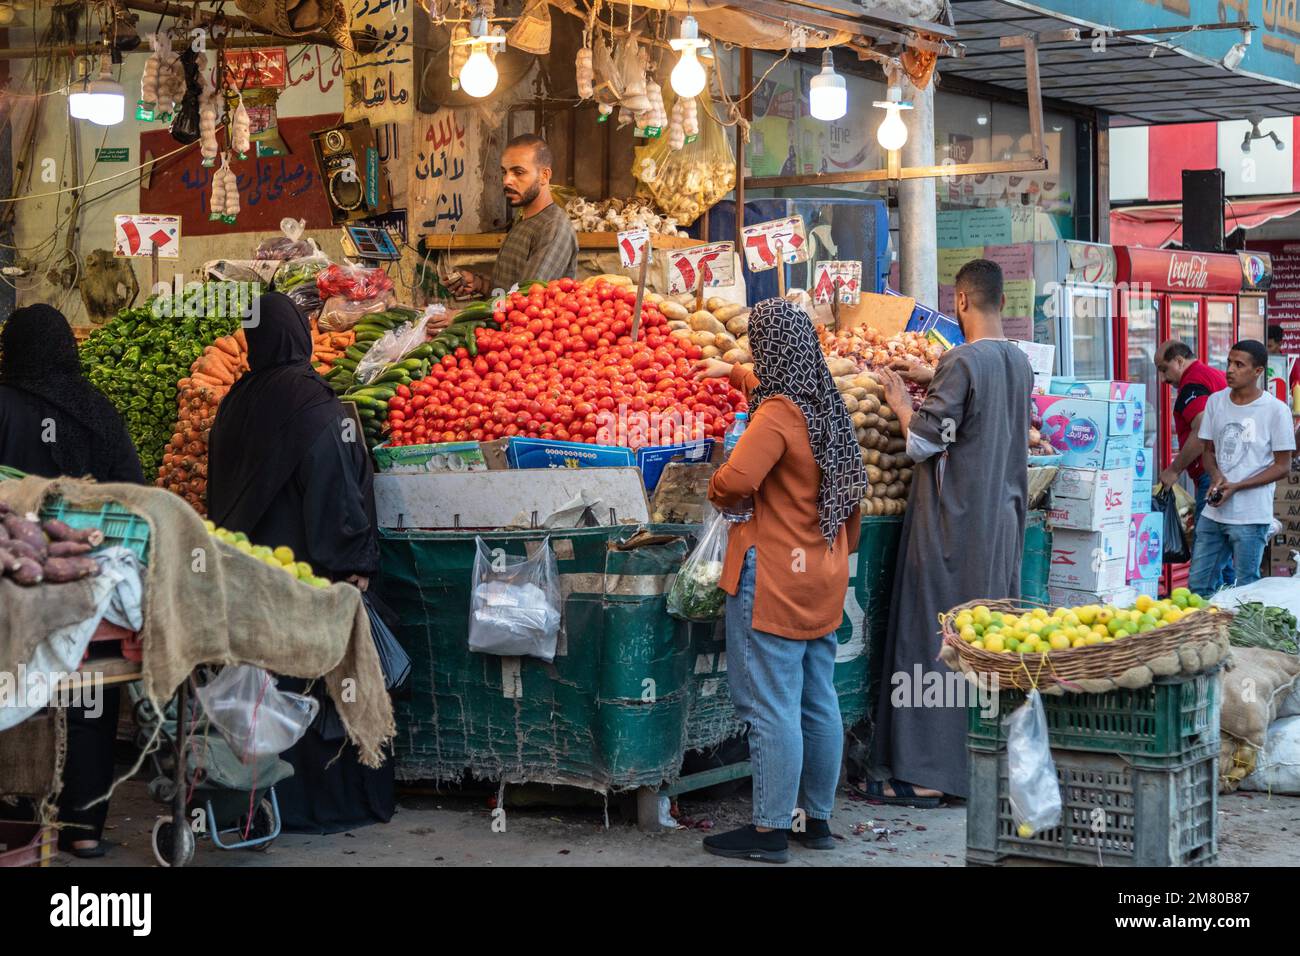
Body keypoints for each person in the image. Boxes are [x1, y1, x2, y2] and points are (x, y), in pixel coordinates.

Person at [207, 292, 392, 834]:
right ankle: (320, 805)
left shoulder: (233, 404)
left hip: (250, 581)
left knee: (267, 692)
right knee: (317, 694)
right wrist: (355, 562)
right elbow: (334, 495)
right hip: (310, 576)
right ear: (301, 337)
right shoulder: (316, 405)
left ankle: (262, 803)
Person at [692, 298, 867, 863]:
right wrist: (736, 376)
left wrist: (717, 482)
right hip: (823, 573)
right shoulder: (826, 404)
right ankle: (815, 821)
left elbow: (738, 479)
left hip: (775, 575)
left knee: (769, 705)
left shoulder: (778, 413)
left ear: (768, 350)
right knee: (818, 700)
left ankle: (769, 832)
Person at [869, 259, 1033, 804]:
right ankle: (973, 766)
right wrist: (932, 379)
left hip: (950, 528)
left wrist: (899, 401)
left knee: (934, 644)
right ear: (998, 301)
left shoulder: (961, 361)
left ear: (960, 301)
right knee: (985, 649)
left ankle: (926, 776)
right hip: (999, 527)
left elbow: (923, 443)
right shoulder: (1016, 359)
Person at [0, 304, 145, 859]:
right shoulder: (96, 410)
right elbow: (134, 498)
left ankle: (18, 814)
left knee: (19, 689)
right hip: (90, 590)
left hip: (18, 591)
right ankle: (83, 826)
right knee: (89, 693)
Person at [1188, 339, 1295, 596]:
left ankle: (1239, 637)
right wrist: (1215, 476)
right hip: (1214, 514)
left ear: (1258, 371)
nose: (1230, 370)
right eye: (1229, 362)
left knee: (1246, 590)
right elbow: (1208, 451)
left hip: (1251, 516)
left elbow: (1283, 466)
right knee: (1198, 587)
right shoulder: (1216, 402)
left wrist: (1236, 486)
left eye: (1239, 364)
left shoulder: (1276, 410)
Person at [450, 133, 578, 297]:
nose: (506, 181)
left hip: (522, 322)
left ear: (544, 176)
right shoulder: (523, 220)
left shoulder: (553, 227)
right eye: (504, 172)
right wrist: (479, 284)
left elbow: (526, 300)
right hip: (508, 322)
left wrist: (459, 315)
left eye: (518, 172)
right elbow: (508, 294)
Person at [1155, 340, 1233, 587]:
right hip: (1226, 474)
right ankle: (1232, 611)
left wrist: (1174, 470)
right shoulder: (1213, 375)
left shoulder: (1193, 384)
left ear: (1179, 361)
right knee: (1224, 552)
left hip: (1211, 477)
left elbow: (1201, 430)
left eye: (1164, 369)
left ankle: (1212, 611)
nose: (1162, 379)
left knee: (1208, 551)